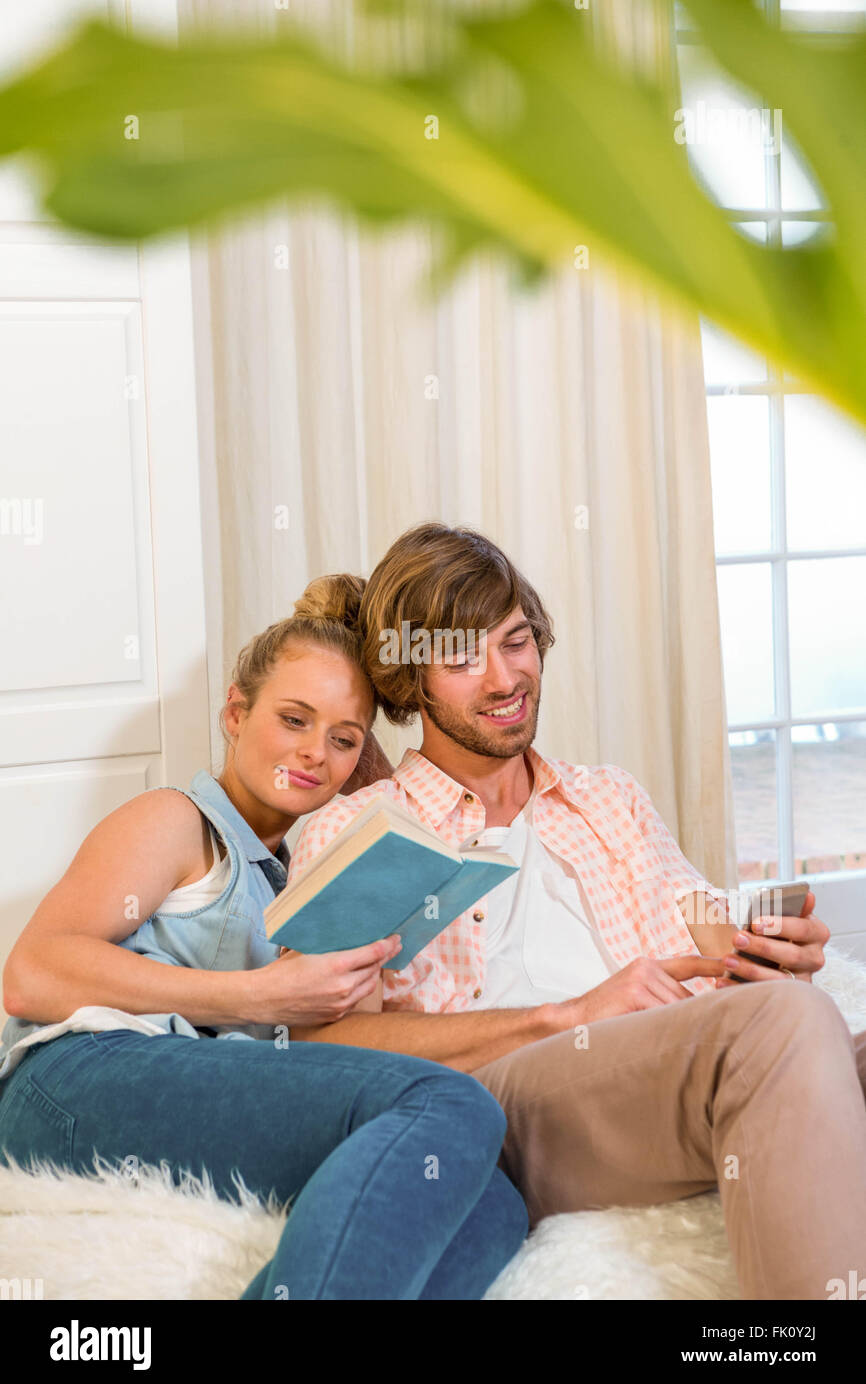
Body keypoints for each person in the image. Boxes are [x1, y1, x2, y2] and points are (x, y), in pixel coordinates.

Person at [286, 524, 866, 1301]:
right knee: (783, 1026)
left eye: (516, 641)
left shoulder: (606, 797)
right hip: (507, 1109)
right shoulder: (360, 830)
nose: (504, 678)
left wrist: (765, 953)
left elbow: (699, 939)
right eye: (463, 658)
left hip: (655, 1076)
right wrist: (568, 1015)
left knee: (803, 1018)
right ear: (410, 678)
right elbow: (324, 1043)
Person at [0, 574, 528, 1301]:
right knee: (451, 1105)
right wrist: (259, 995)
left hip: (191, 1098)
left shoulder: (302, 879)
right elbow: (31, 973)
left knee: (494, 1203)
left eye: (343, 739)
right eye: (293, 720)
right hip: (77, 1081)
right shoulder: (177, 821)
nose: (316, 753)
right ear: (235, 713)